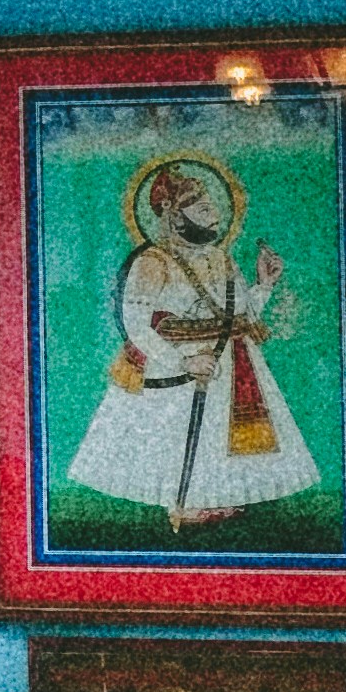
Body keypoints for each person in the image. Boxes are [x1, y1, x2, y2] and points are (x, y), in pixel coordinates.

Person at [61, 147, 318, 533]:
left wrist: (264, 284)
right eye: (201, 207)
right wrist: (183, 361)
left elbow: (242, 316)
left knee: (218, 433)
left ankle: (216, 498)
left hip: (227, 361)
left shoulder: (222, 259)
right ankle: (183, 505)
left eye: (212, 205)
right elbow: (136, 324)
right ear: (174, 216)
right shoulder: (153, 262)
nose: (213, 213)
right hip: (174, 365)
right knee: (176, 432)